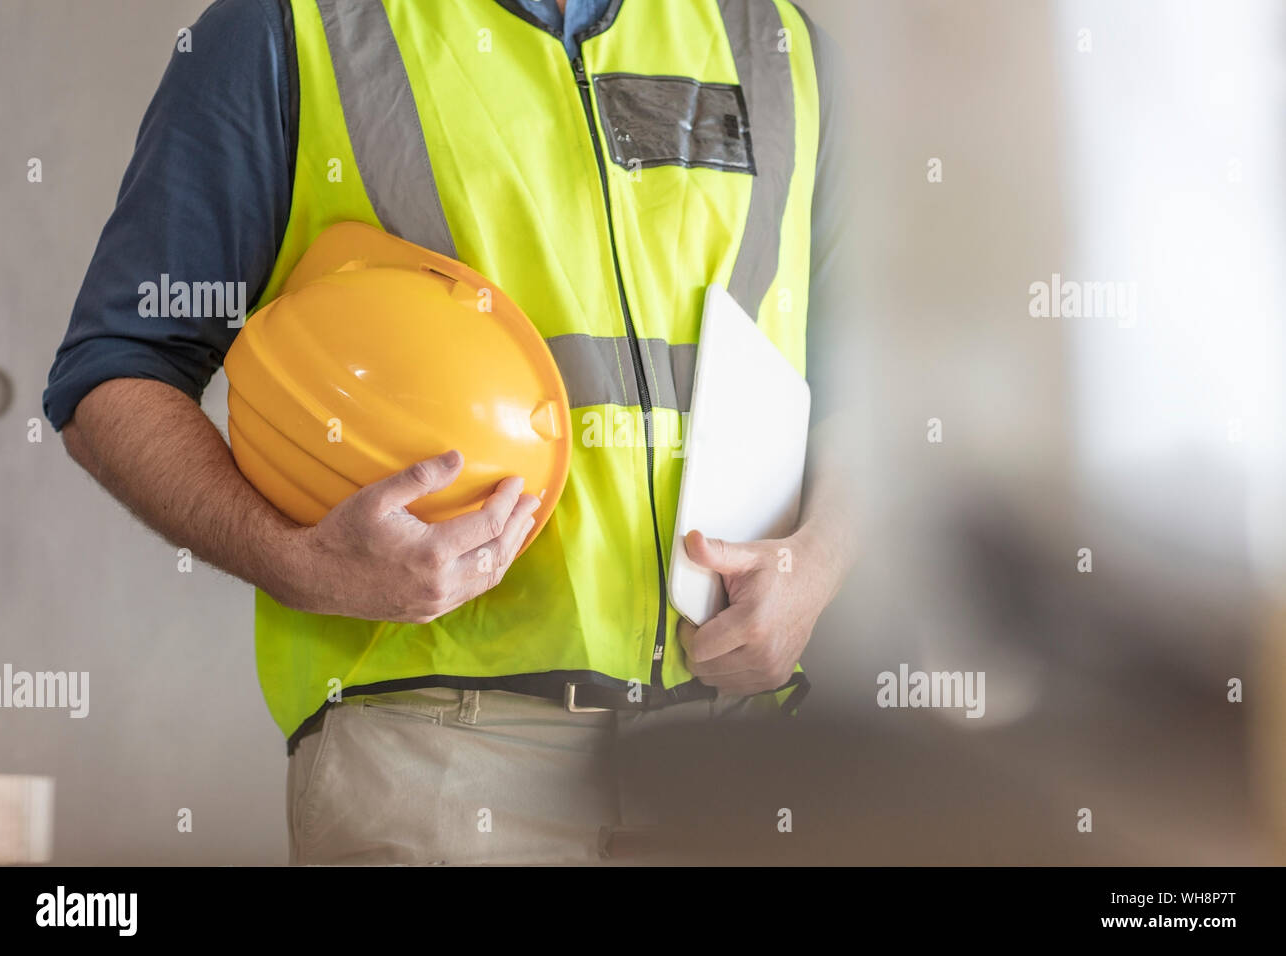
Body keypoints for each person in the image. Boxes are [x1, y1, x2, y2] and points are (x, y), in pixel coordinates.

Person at [44, 0, 855, 864]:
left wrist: (821, 563)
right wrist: (297, 563)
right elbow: (117, 368)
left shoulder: (777, 46)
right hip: (439, 753)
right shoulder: (294, 29)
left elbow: (878, 384)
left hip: (738, 756)